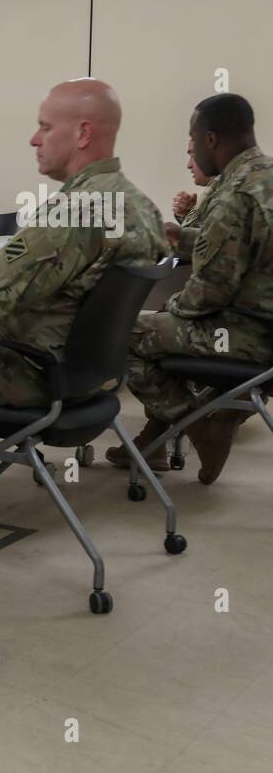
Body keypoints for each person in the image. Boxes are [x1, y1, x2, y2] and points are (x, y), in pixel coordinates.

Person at [0, 79, 167, 510]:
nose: (34, 139)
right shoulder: (141, 206)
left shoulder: (74, 212)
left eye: (44, 127)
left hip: (34, 376)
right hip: (93, 377)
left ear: (82, 133)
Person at [110, 94, 273, 483]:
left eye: (193, 139)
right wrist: (182, 238)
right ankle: (158, 439)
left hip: (244, 334)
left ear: (211, 139)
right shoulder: (263, 176)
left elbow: (209, 293)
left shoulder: (234, 194)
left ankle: (199, 427)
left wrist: (170, 308)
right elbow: (245, 248)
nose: (193, 149)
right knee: (163, 328)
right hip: (262, 324)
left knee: (122, 333)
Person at [164, 140, 215, 259]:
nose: (189, 165)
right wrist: (188, 214)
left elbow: (223, 244)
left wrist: (179, 236)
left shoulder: (228, 190)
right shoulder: (215, 189)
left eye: (193, 156)